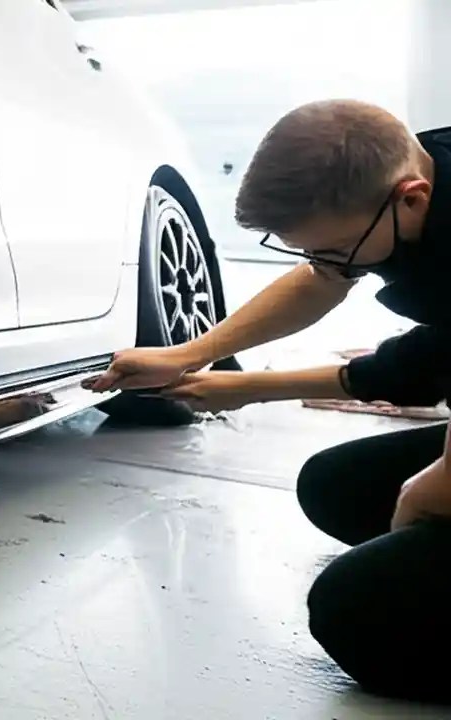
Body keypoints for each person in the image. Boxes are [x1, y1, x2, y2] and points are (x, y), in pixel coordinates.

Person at [85, 99, 451, 702]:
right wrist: (194, 358)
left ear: (410, 199)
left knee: (358, 613)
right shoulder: (414, 184)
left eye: (334, 252)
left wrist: (444, 479)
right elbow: (412, 351)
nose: (325, 267)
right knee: (336, 485)